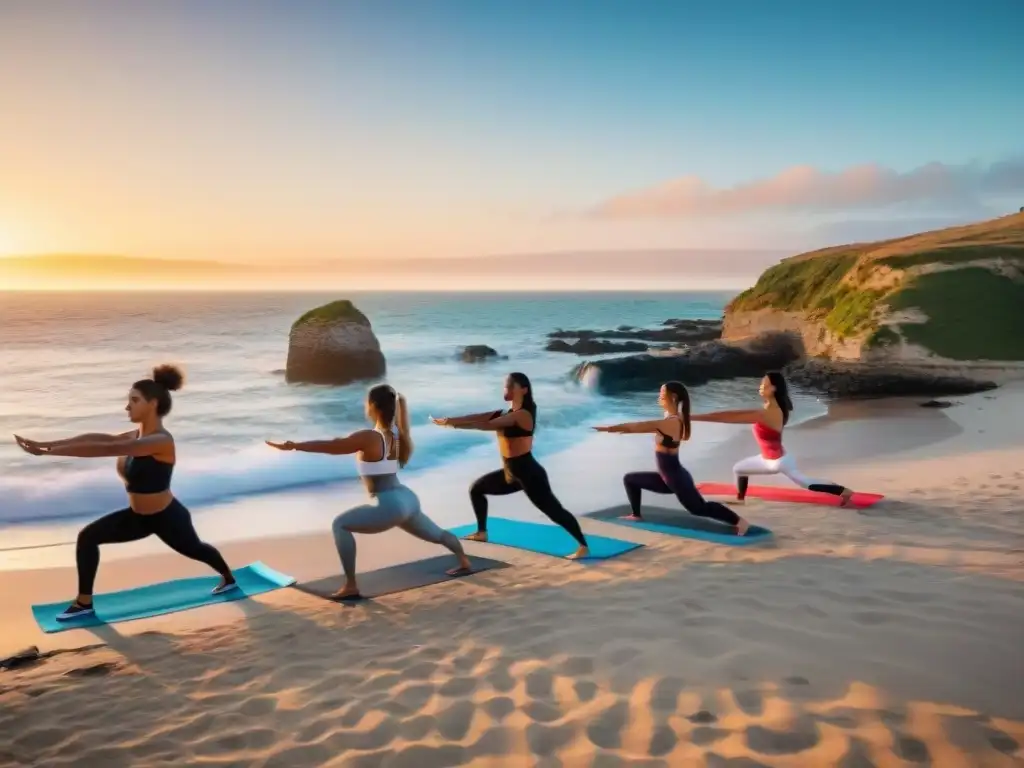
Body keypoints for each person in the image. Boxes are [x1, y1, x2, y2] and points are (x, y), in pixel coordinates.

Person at [13, 364, 236, 621]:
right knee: (87, 537)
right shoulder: (136, 435)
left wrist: (48, 453)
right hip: (138, 517)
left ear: (152, 404)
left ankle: (228, 578)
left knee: (195, 549)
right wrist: (45, 444)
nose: (127, 407)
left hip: (167, 517)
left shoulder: (160, 441)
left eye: (134, 400)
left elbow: (107, 449)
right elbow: (102, 440)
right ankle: (84, 603)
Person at [267, 385, 472, 600]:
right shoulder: (397, 433)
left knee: (340, 525)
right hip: (407, 498)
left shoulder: (370, 437)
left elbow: (335, 446)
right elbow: (401, 419)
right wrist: (400, 401)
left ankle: (351, 585)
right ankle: (463, 561)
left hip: (389, 504)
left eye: (367, 402)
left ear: (373, 406)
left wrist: (295, 446)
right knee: (438, 534)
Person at [430, 372, 590, 559]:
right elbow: (477, 417)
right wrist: (449, 421)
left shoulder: (523, 415)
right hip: (510, 473)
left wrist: (454, 425)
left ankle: (583, 546)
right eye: (505, 386)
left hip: (529, 474)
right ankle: (482, 532)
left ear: (524, 390)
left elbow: (486, 425)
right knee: (476, 489)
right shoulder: (506, 412)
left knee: (555, 512)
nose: (506, 389)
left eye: (510, 386)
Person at [593, 381, 750, 535]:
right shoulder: (673, 418)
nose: (659, 397)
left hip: (676, 479)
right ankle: (636, 514)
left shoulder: (672, 423)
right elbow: (650, 425)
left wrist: (610, 428)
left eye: (662, 394)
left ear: (673, 397)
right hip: (667, 478)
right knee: (630, 479)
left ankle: (739, 521)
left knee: (699, 508)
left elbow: (639, 426)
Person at [691, 371, 855, 505]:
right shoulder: (771, 408)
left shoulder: (769, 413)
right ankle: (740, 499)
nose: (760, 386)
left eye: (765, 384)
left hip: (779, 462)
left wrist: (693, 417)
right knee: (739, 469)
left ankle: (843, 491)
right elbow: (733, 415)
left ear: (774, 389)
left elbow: (728, 417)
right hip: (767, 458)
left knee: (807, 483)